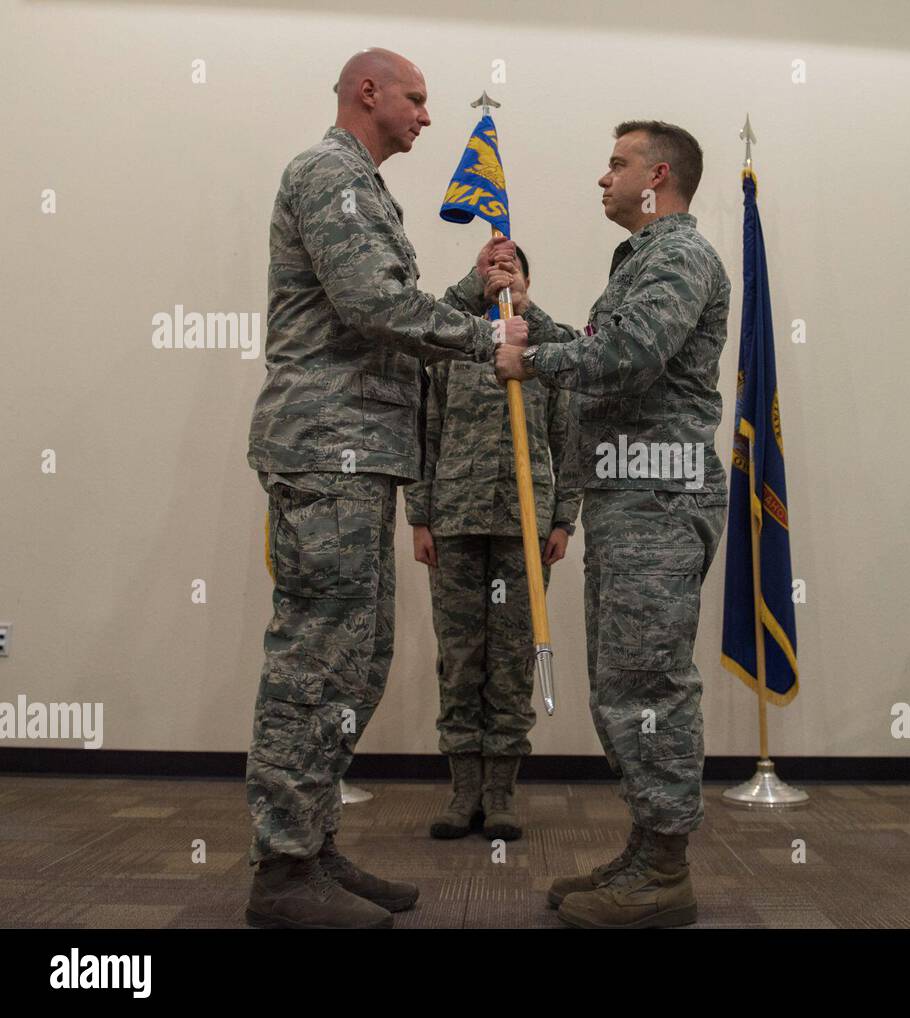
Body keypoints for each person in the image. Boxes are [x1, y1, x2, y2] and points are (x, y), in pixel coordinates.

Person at [244, 47, 525, 930]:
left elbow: (379, 313)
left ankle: (312, 846)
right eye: (416, 98)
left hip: (360, 457)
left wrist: (469, 296)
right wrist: (486, 339)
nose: (427, 116)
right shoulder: (330, 174)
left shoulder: (361, 184)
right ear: (368, 92)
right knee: (316, 658)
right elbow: (372, 304)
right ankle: (283, 870)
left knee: (355, 663)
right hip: (327, 453)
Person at [494, 120, 730, 929]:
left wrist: (533, 358)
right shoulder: (644, 257)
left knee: (650, 680)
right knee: (625, 678)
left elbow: (632, 355)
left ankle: (666, 870)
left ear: (657, 176)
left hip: (660, 497)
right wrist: (536, 320)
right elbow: (606, 346)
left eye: (617, 163)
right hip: (631, 496)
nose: (604, 177)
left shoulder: (678, 254)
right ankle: (647, 845)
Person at [408, 246, 581, 842]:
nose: (501, 280)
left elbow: (568, 434)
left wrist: (564, 519)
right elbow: (424, 432)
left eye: (512, 273)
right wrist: (420, 516)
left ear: (530, 280)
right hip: (454, 524)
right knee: (460, 661)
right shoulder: (452, 343)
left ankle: (501, 793)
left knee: (509, 663)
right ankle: (462, 793)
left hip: (522, 527)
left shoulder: (545, 346)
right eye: (493, 272)